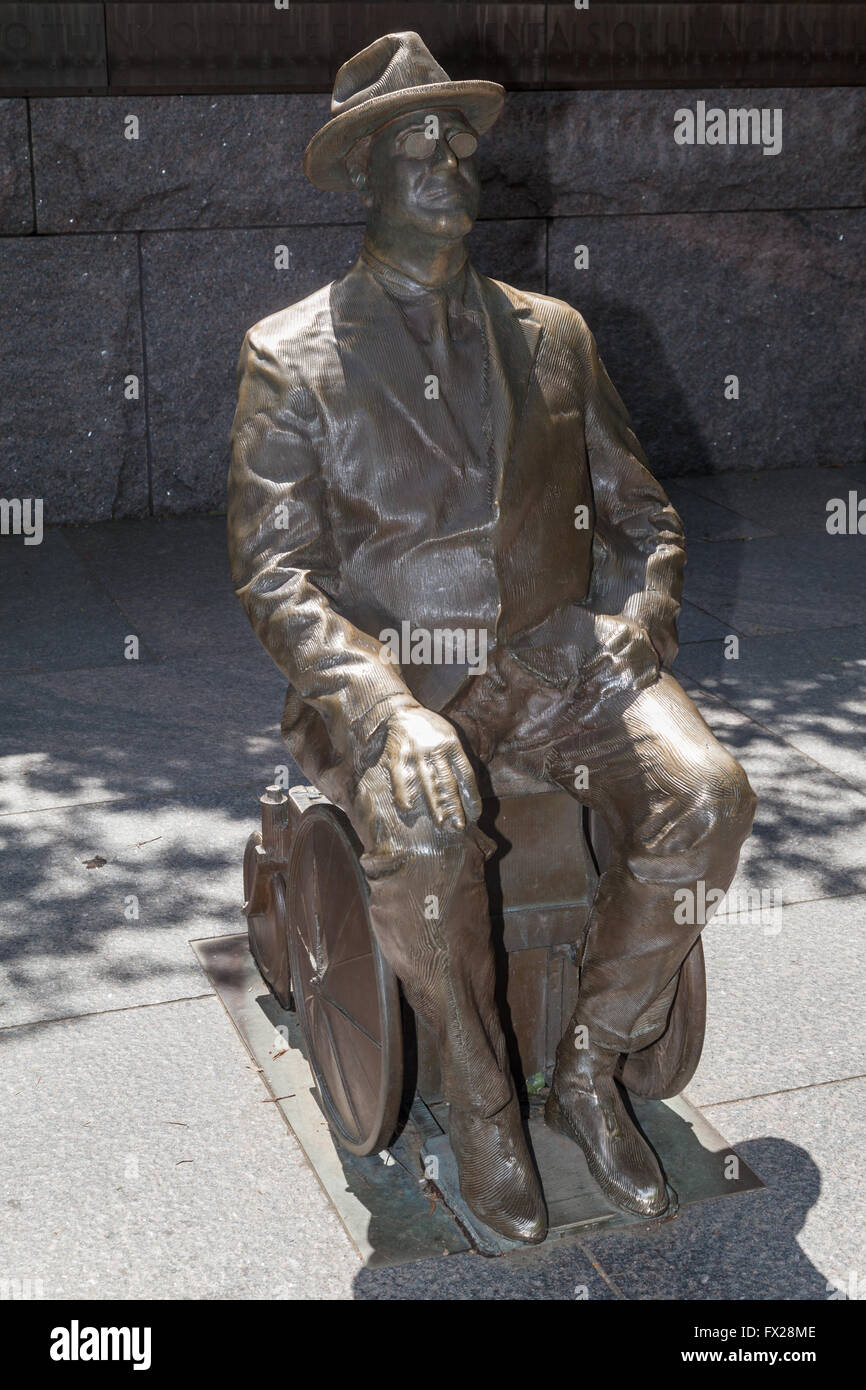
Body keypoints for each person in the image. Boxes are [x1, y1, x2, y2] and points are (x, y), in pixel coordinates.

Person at [227, 31, 757, 1244]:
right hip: (397, 675)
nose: (444, 159)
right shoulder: (290, 354)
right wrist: (380, 707)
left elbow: (637, 513)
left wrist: (645, 606)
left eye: (455, 139)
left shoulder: (555, 332)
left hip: (560, 661)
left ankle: (589, 1060)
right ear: (359, 173)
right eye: (411, 142)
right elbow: (275, 571)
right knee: (417, 816)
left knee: (708, 793)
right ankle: (476, 1096)